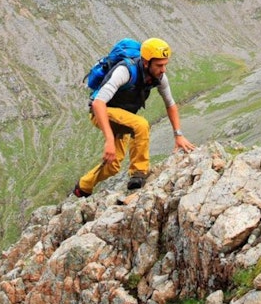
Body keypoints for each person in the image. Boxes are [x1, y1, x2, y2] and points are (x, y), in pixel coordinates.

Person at [72, 37, 196, 197]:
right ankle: (139, 173)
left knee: (113, 166)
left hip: (123, 119)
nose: (163, 69)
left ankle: (83, 187)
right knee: (141, 124)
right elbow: (98, 103)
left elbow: (170, 104)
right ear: (146, 62)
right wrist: (109, 140)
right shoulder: (125, 71)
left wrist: (178, 135)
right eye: (159, 65)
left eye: (165, 64)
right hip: (101, 113)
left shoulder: (159, 77)